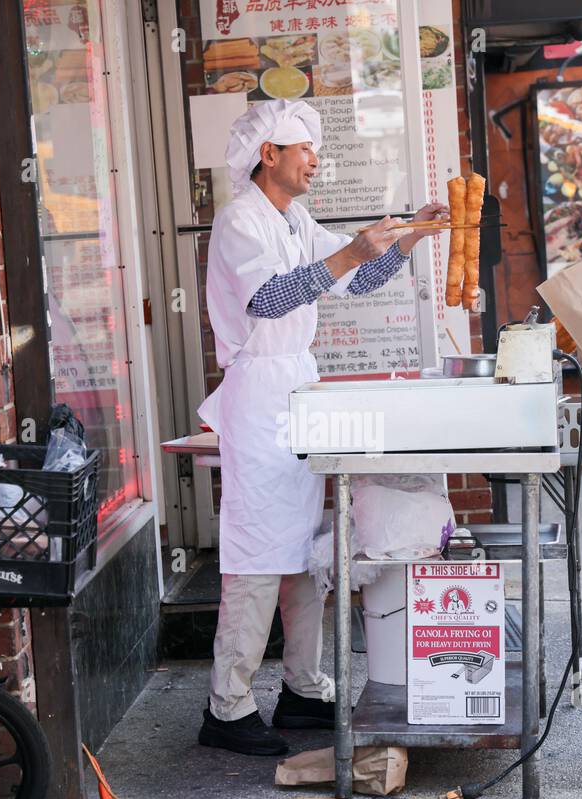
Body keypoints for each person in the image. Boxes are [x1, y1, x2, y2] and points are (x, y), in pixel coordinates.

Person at [197, 100, 447, 756]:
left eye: (315, 145)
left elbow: (357, 280)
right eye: (300, 146)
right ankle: (227, 704)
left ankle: (303, 688)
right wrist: (351, 254)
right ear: (267, 155)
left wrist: (408, 238)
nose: (314, 157)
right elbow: (269, 299)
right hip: (257, 394)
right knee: (256, 552)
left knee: (306, 549)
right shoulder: (238, 221)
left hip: (298, 388)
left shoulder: (295, 218)